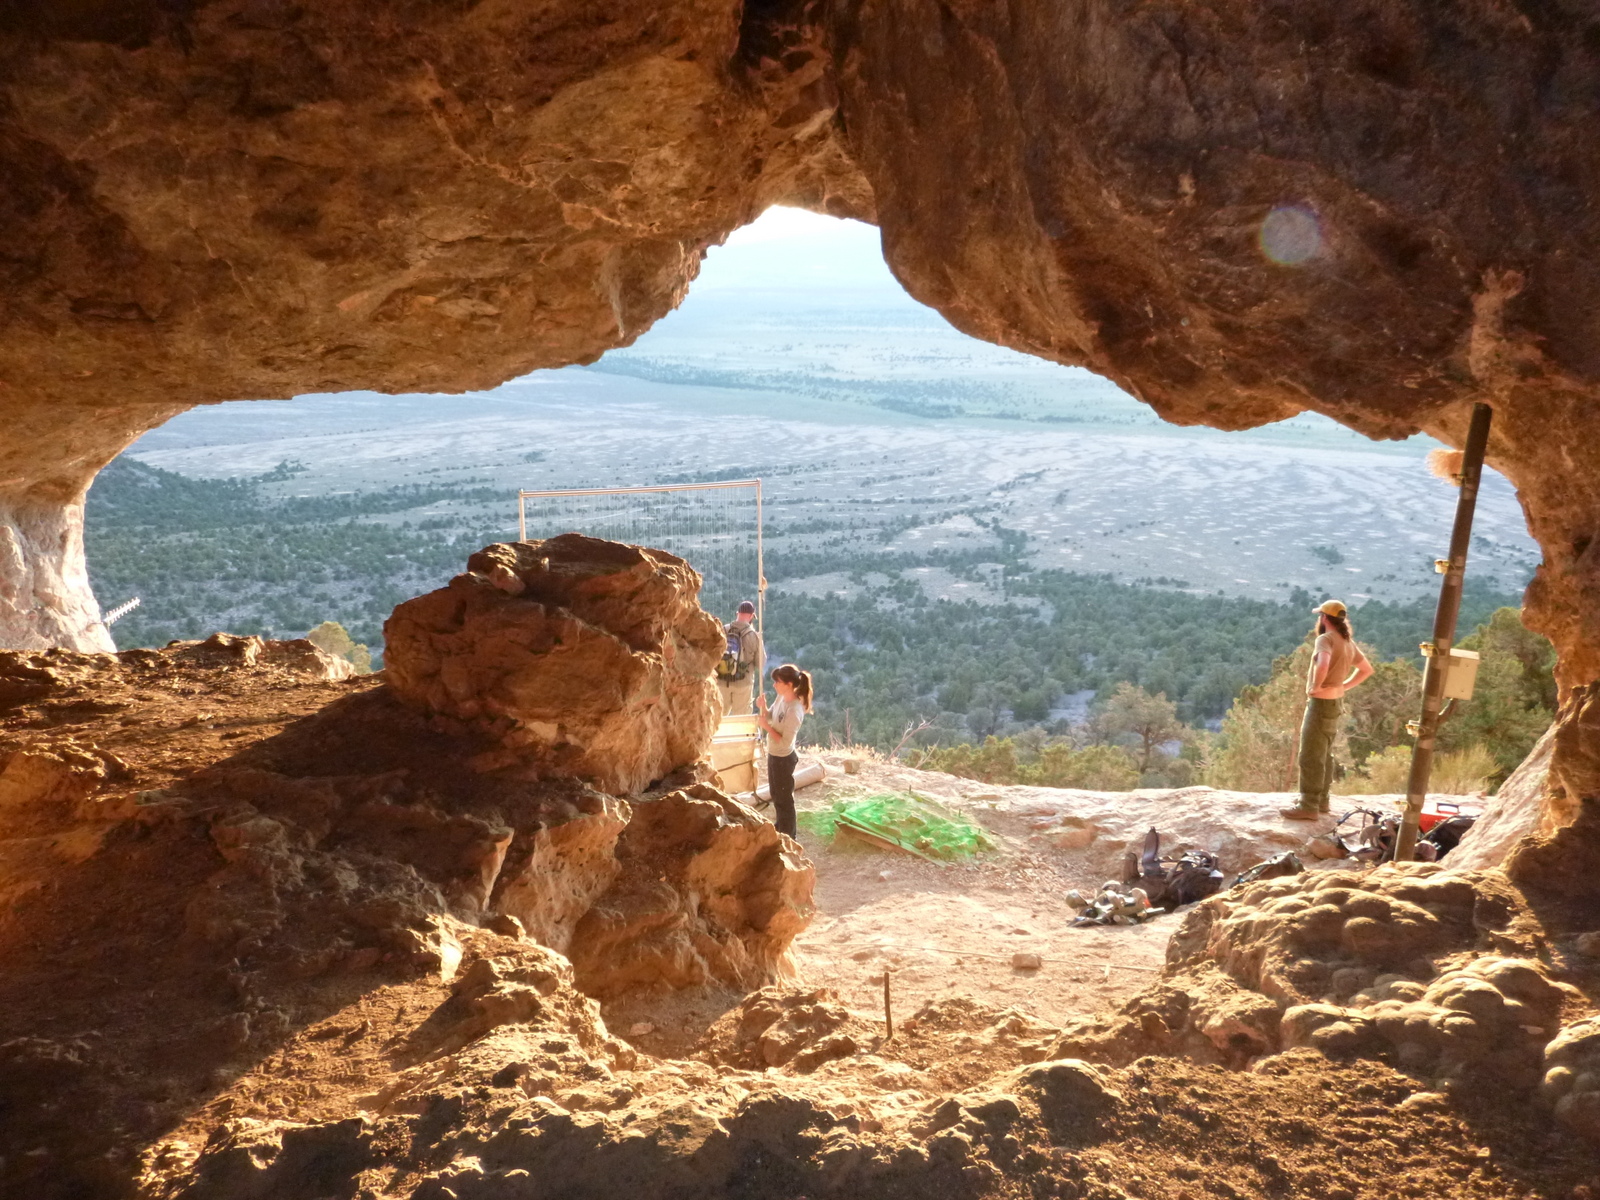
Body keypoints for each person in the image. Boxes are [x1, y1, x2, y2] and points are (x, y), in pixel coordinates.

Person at [1282, 599, 1374, 820]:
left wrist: (1316, 686)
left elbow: (1323, 664)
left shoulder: (1325, 639)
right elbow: (1366, 669)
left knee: (1310, 755)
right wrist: (1344, 686)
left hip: (1320, 704)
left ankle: (1308, 805)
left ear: (1324, 618)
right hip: (1336, 703)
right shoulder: (1347, 641)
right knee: (1325, 753)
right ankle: (1322, 801)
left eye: (1320, 615)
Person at [756, 663, 812, 838]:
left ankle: (789, 836)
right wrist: (763, 707)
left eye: (777, 682)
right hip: (774, 754)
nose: (774, 685)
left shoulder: (795, 710)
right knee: (776, 795)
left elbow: (785, 742)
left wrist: (766, 728)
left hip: (783, 758)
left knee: (784, 799)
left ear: (789, 684)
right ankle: (781, 827)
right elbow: (771, 716)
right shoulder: (781, 698)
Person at [715, 601, 764, 716]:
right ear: (751, 616)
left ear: (737, 613)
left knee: (719, 718)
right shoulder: (754, 636)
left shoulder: (723, 630)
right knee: (742, 718)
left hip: (722, 681)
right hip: (743, 683)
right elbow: (760, 663)